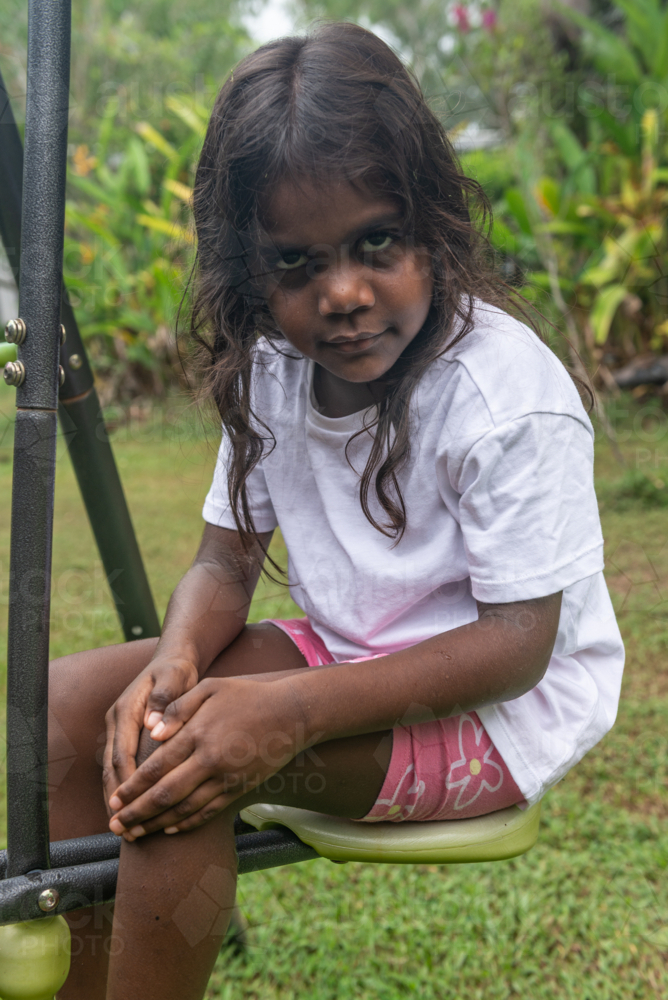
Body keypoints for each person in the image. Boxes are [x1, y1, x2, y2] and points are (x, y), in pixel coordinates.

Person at [49, 22, 624, 1000]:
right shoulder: (275, 368)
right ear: (249, 271)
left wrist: (289, 712)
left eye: (375, 242)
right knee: (71, 704)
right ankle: (89, 979)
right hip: (345, 657)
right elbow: (223, 563)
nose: (344, 293)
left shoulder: (500, 396)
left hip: (494, 711)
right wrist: (176, 660)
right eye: (297, 263)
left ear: (430, 223)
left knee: (181, 762)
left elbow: (517, 645)